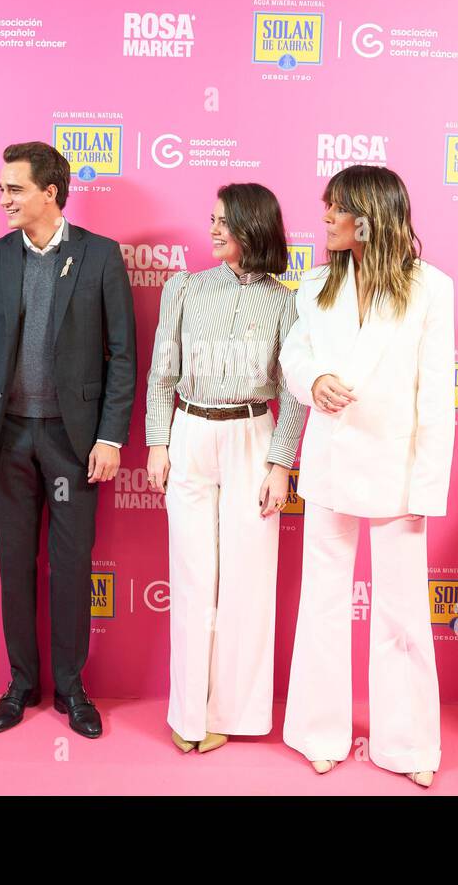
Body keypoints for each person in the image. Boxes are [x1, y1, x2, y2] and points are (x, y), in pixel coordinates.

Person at [279, 164, 455, 788]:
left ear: (370, 216)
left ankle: (407, 745)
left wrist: (428, 486)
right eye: (325, 206)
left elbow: (436, 395)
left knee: (403, 610)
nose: (324, 217)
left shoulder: (431, 289)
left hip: (397, 470)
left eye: (336, 208)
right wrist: (313, 380)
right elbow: (294, 353)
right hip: (329, 464)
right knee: (322, 602)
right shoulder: (316, 283)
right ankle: (317, 732)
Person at [0, 141, 136, 739]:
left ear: (49, 193)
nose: (3, 199)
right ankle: (20, 683)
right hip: (7, 442)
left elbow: (121, 356)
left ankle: (73, 686)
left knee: (71, 566)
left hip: (74, 443)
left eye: (15, 189)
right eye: (2, 190)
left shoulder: (101, 256)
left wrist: (110, 436)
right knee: (14, 564)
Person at [145, 183, 304, 755]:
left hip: (252, 436)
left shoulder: (287, 302)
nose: (213, 230)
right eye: (210, 220)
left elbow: (295, 392)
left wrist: (281, 463)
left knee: (249, 581)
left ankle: (232, 713)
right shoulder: (184, 288)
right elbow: (162, 372)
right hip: (188, 432)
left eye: (224, 222)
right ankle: (188, 713)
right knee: (191, 579)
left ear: (253, 228)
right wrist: (158, 443)